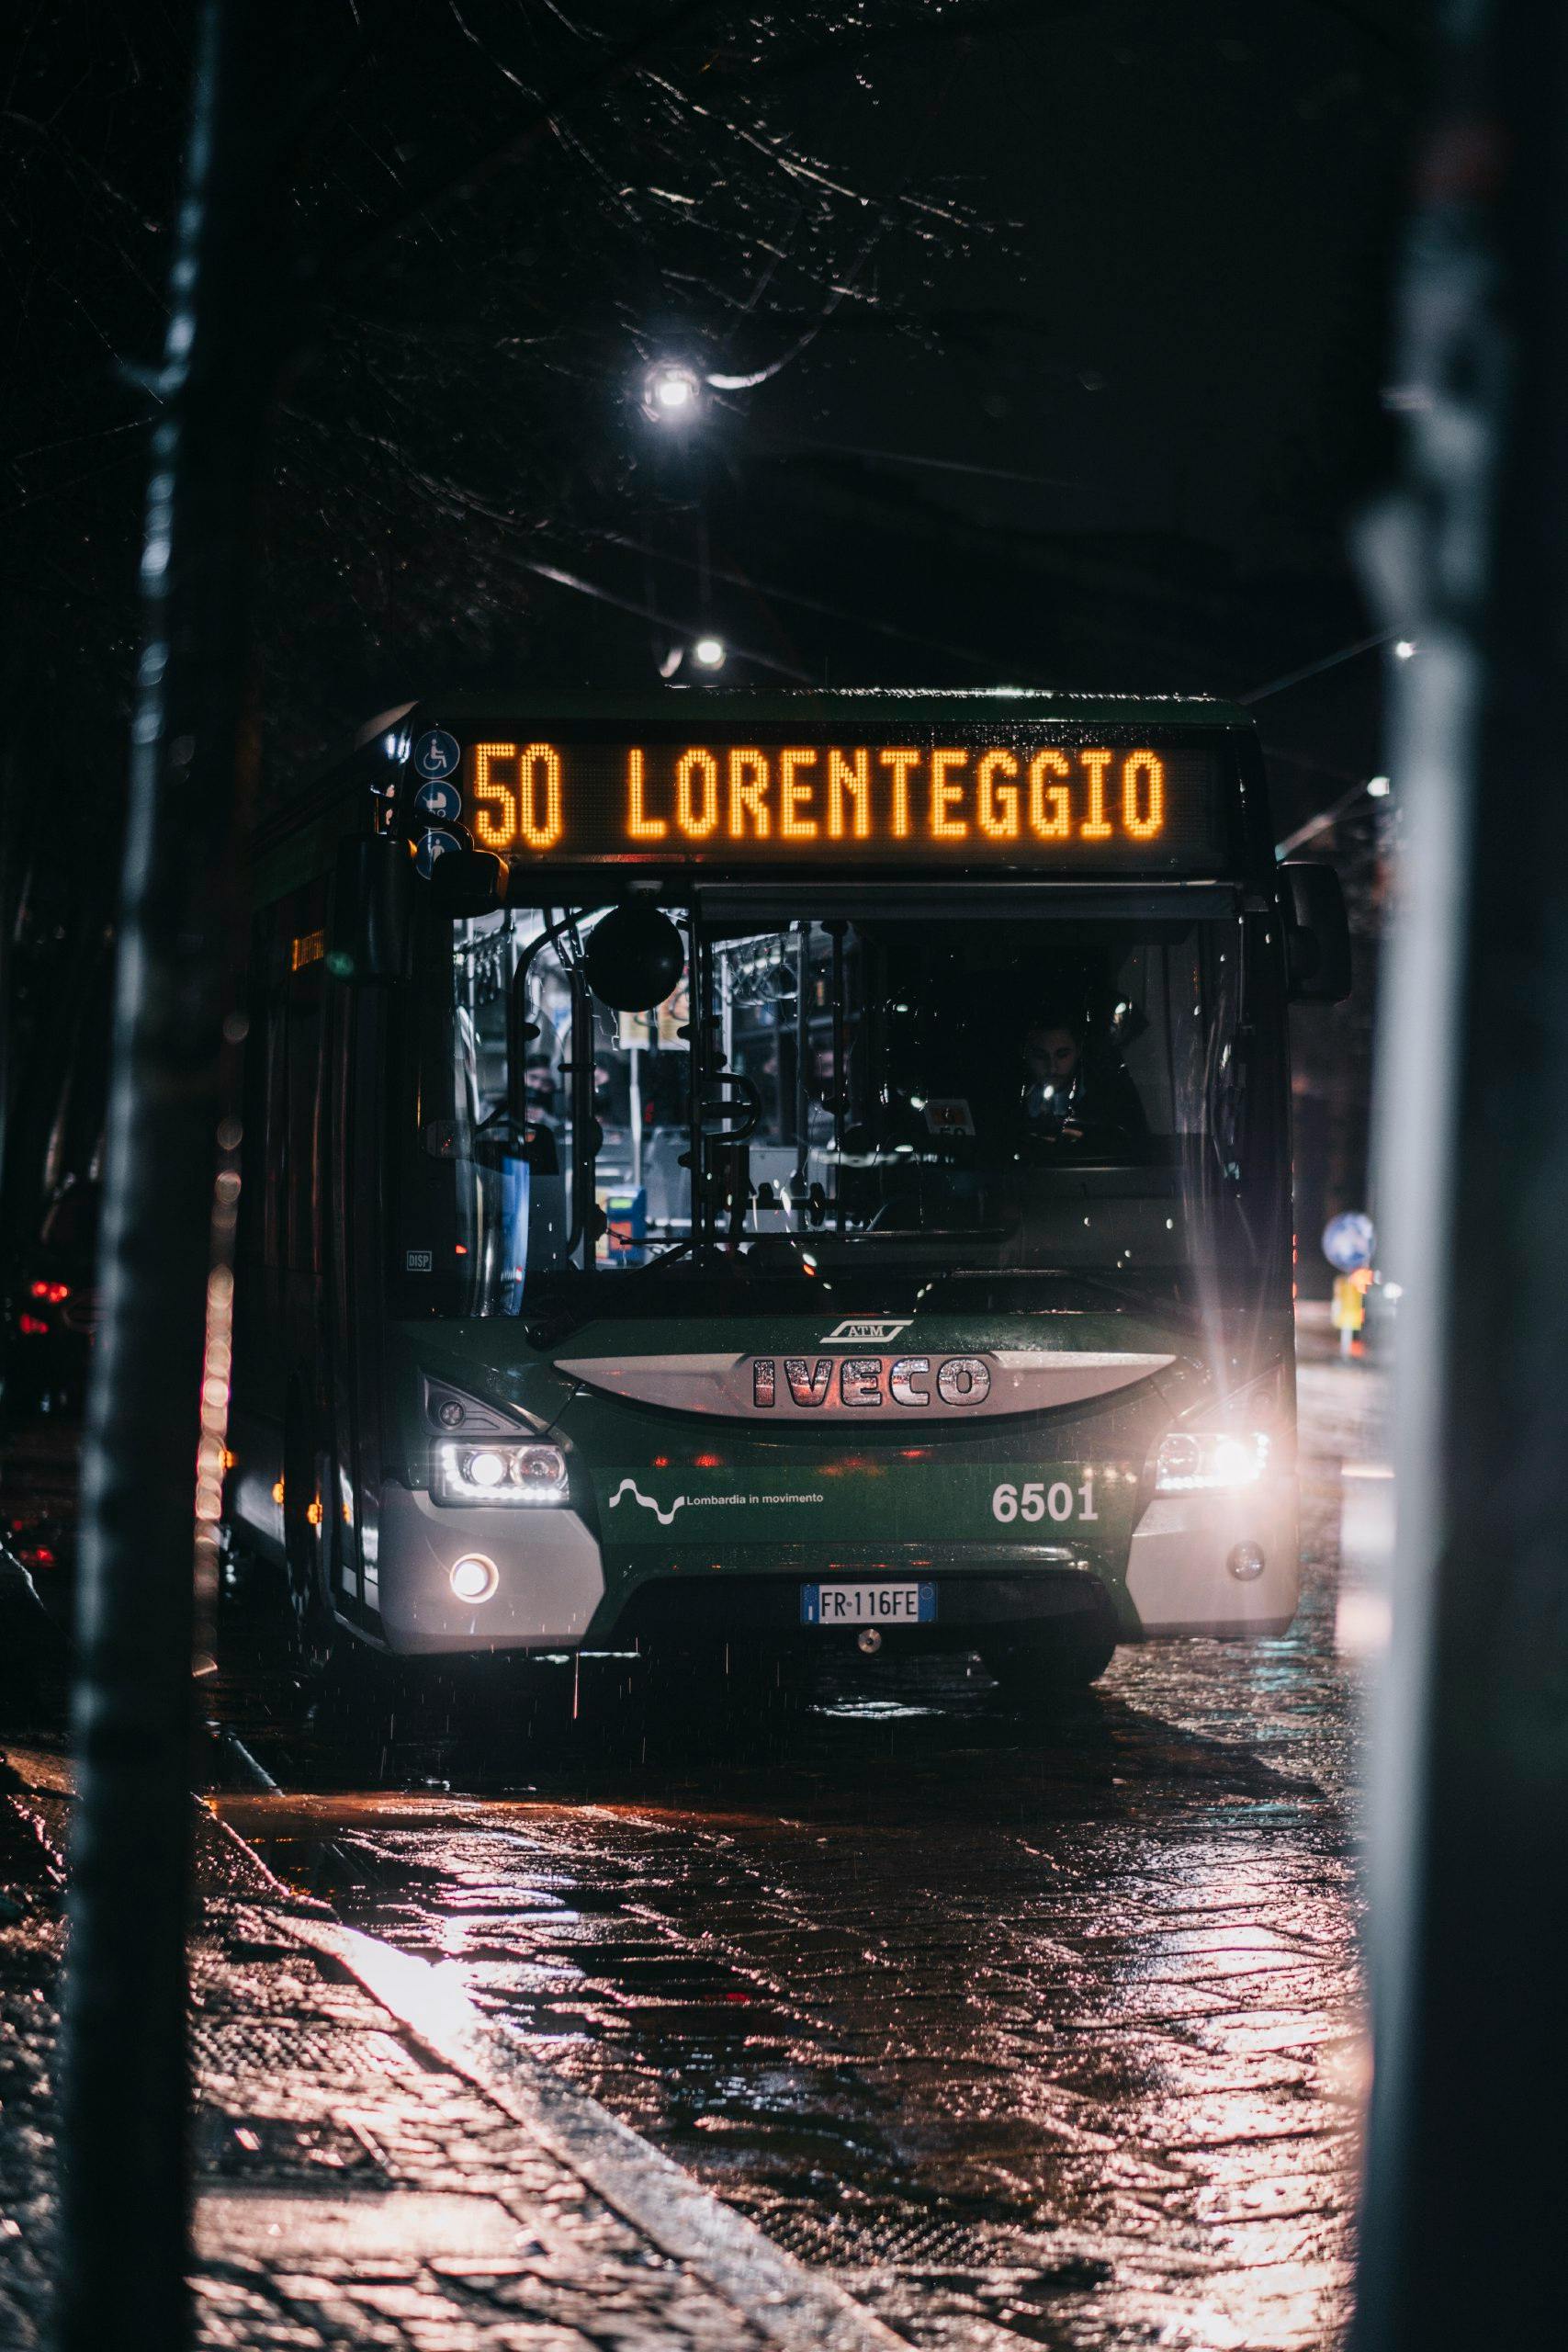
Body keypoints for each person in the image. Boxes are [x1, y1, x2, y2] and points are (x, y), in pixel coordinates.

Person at [1018, 1012, 1148, 1155]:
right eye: (1041, 1056)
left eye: (1062, 1054)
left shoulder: (1108, 1101)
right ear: (1026, 1053)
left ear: (1078, 1050)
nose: (1052, 1068)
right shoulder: (1011, 1105)